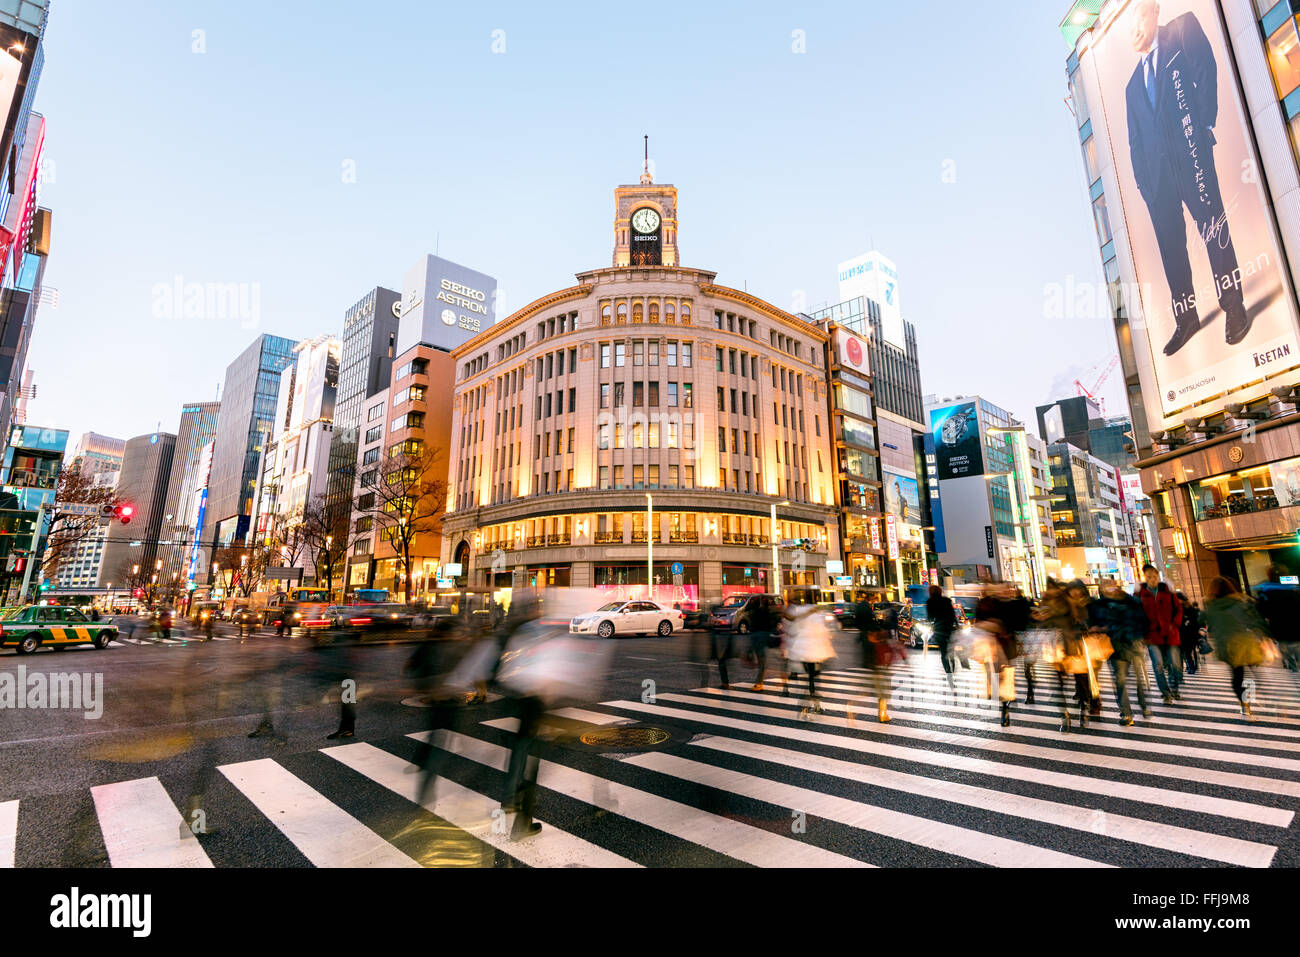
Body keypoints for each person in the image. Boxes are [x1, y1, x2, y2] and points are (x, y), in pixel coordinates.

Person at [1123, 0, 1251, 356]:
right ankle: (1187, 318)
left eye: (1139, 17)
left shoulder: (1182, 31)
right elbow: (1135, 142)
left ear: (1154, 12)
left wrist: (1205, 125)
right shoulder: (1131, 87)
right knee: (1171, 251)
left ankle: (1233, 305)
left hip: (1191, 157)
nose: (1134, 29)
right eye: (1129, 25)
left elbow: (1206, 68)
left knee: (1213, 229)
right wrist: (1144, 185)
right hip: (1158, 182)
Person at [1202, 577, 1268, 718]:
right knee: (1253, 670)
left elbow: (1203, 622)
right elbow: (1255, 619)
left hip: (1228, 646)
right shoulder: (1241, 601)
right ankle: (1256, 691)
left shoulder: (1211, 606)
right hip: (1246, 642)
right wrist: (1263, 635)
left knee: (1237, 676)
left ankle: (1245, 704)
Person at [1090, 578, 1152, 726]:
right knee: (1120, 680)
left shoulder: (1130, 601)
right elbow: (1094, 622)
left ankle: (1144, 705)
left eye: (1111, 586)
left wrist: (1142, 636)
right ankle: (1126, 713)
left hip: (1133, 643)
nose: (1109, 589)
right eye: (1105, 587)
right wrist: (1098, 629)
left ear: (1116, 586)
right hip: (1115, 647)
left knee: (1139, 679)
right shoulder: (1099, 605)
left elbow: (1142, 619)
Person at [1138, 564, 1183, 704]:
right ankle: (1166, 694)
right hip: (1152, 636)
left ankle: (1174, 688)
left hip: (1170, 633)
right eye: (1149, 577)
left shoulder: (1167, 591)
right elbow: (1136, 614)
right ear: (1145, 578)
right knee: (1158, 665)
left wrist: (1174, 624)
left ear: (1158, 577)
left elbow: (1178, 609)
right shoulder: (1141, 594)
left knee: (1175, 664)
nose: (1152, 579)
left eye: (1154, 576)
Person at [783, 603, 835, 719]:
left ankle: (808, 703)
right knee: (813, 678)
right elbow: (821, 631)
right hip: (814, 652)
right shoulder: (815, 614)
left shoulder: (800, 611)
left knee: (810, 678)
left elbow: (793, 626)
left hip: (802, 651)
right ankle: (812, 703)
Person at [1254, 565, 1300, 672]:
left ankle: (1292, 667)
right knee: (1296, 648)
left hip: (1279, 628)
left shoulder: (1266, 592)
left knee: (1286, 650)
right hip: (1296, 627)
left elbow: (1262, 611)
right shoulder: (1293, 590)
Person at [925, 585, 958, 693]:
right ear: (940, 591)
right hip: (949, 627)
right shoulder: (947, 600)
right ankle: (953, 667)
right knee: (951, 650)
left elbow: (930, 617)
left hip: (939, 629)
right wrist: (956, 625)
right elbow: (952, 615)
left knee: (943, 653)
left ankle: (948, 673)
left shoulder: (930, 602)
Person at [750, 597, 781, 691]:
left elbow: (752, 625)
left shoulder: (757, 612)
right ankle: (759, 683)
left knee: (761, 661)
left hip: (757, 637)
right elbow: (773, 626)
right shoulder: (769, 613)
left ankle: (759, 683)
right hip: (763, 637)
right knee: (762, 662)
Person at [1177, 592, 1202, 675]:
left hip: (1189, 635)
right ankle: (1191, 666)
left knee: (1187, 652)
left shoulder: (1188, 609)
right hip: (1184, 635)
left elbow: (1195, 622)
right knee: (1186, 653)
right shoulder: (1178, 608)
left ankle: (1191, 667)